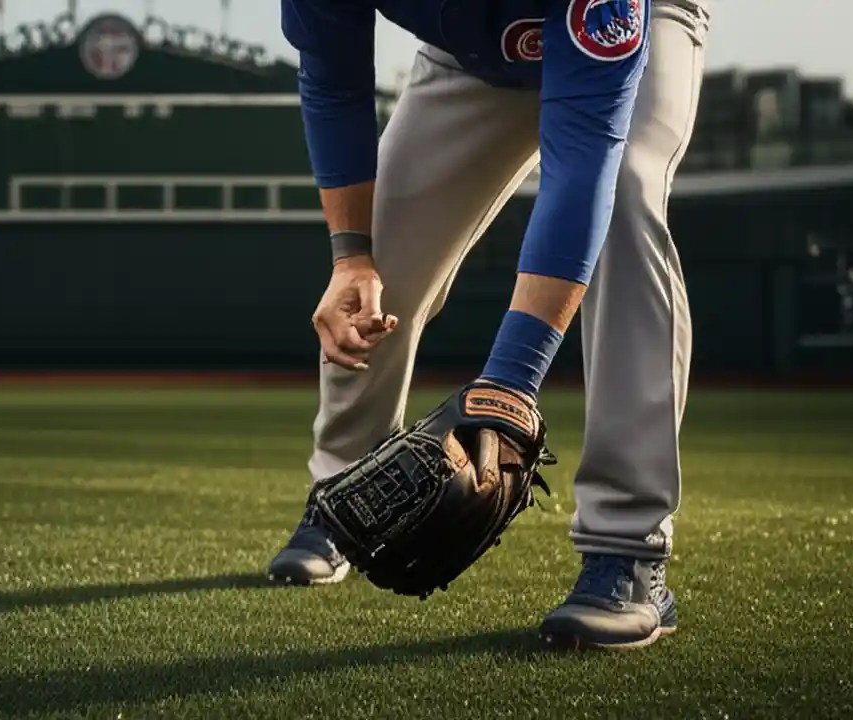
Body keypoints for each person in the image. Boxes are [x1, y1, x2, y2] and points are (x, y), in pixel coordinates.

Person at [267, 0, 711, 650]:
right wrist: (350, 257)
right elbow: (333, 78)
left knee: (627, 197)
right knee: (381, 236)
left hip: (633, 28)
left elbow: (586, 156)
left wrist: (510, 381)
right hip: (468, 58)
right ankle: (345, 495)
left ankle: (627, 549)